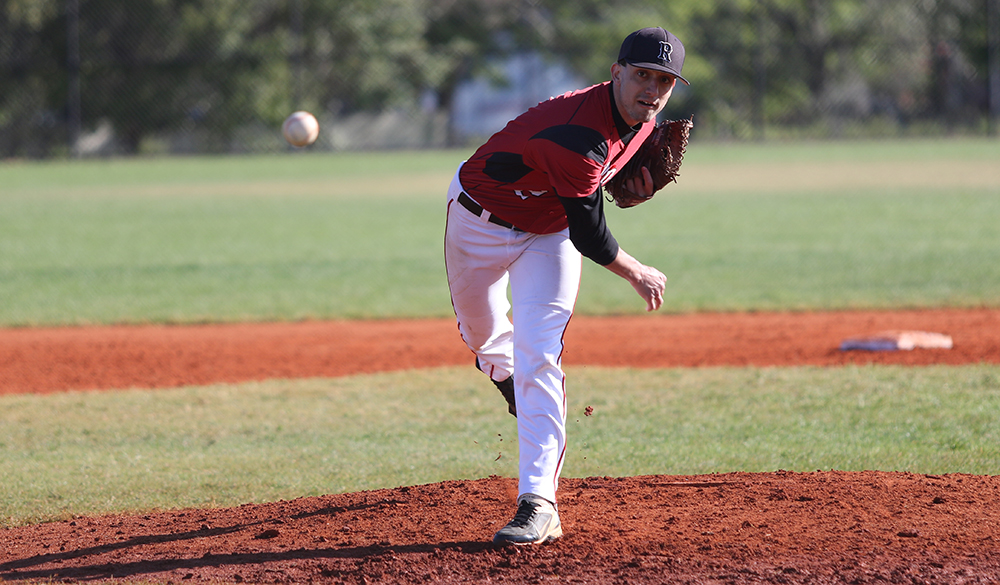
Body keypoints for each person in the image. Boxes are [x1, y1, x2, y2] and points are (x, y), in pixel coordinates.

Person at [443, 26, 689, 545]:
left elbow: (592, 201)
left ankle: (538, 502)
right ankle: (509, 382)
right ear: (616, 72)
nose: (651, 89)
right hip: (478, 222)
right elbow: (592, 234)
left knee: (540, 357)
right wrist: (637, 271)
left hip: (547, 236)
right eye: (641, 75)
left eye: (663, 81)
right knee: (481, 335)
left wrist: (626, 191)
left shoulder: (645, 121)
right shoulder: (579, 135)